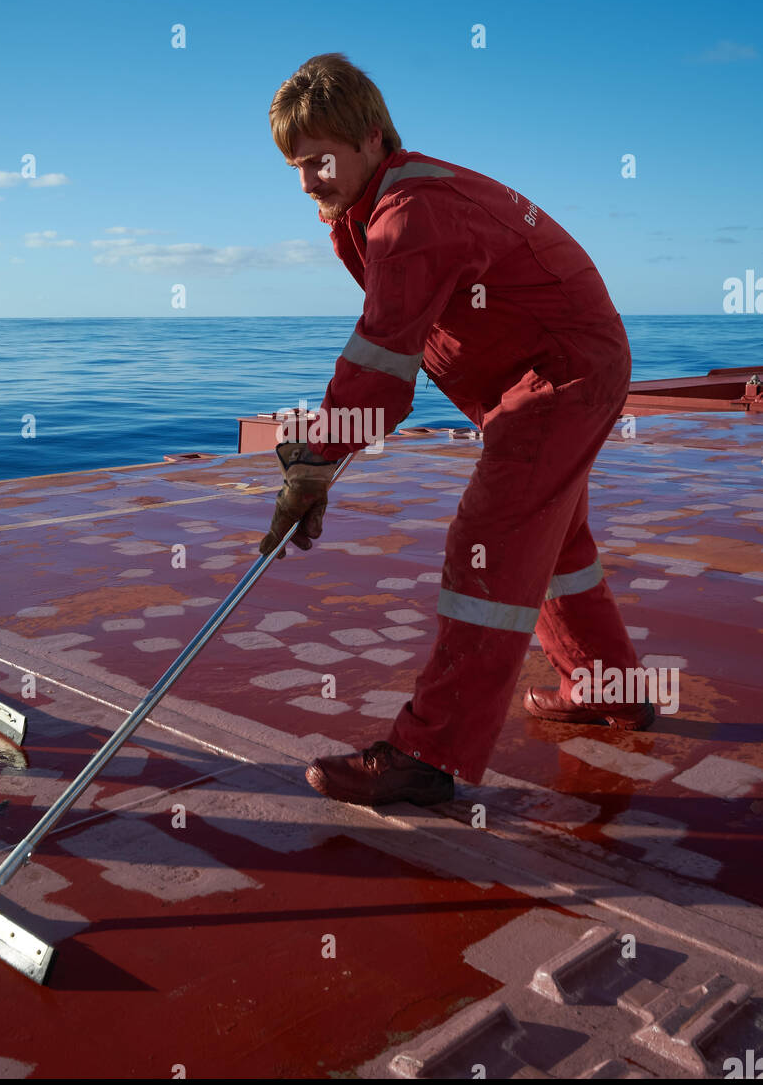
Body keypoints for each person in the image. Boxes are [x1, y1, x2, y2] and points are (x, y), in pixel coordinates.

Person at [260, 52, 651, 808]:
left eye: (320, 159)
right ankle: (609, 686)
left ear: (373, 139)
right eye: (295, 166)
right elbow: (394, 345)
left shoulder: (410, 215)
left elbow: (381, 365)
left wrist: (314, 459)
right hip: (538, 372)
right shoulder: (371, 207)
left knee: (490, 543)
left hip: (557, 375)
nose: (307, 181)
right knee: (557, 545)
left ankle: (428, 754)